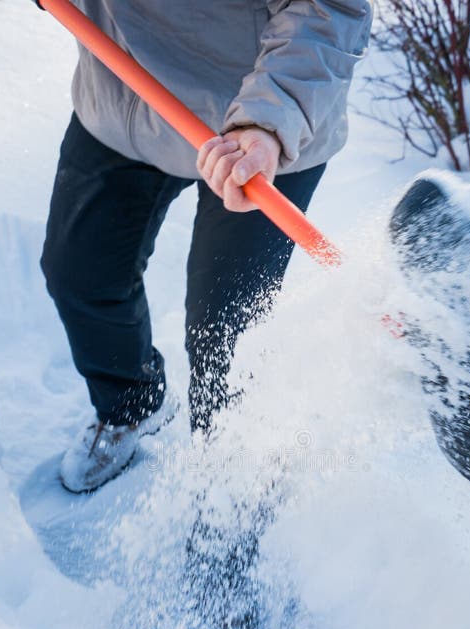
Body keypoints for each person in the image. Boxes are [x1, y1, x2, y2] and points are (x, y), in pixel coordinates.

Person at [37, 0, 372, 492]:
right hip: (122, 89)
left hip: (263, 128)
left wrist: (268, 120)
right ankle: (131, 405)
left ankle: (226, 487)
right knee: (80, 274)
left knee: (227, 336)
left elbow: (327, 10)